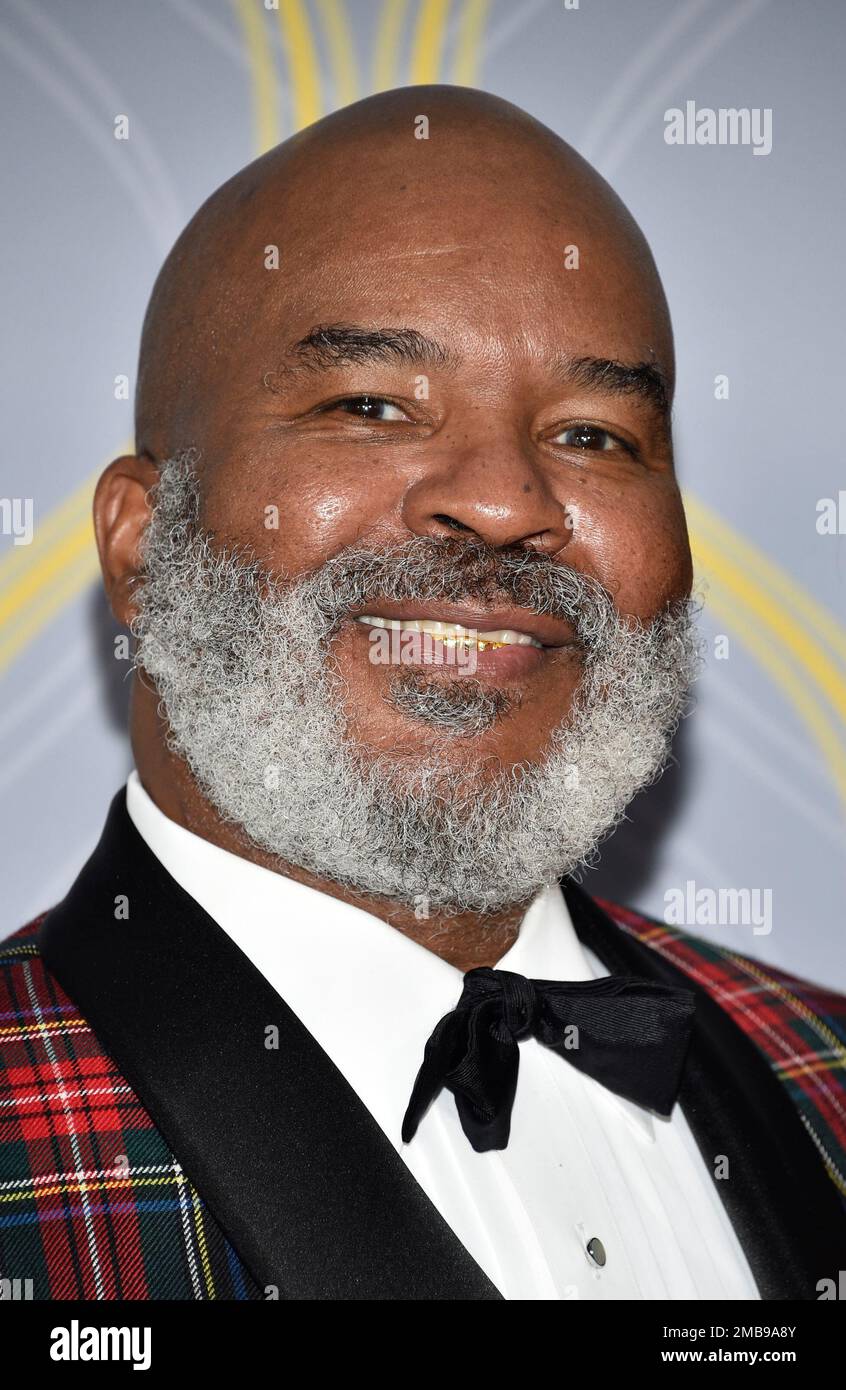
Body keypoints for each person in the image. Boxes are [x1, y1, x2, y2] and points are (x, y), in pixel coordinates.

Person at [1, 84, 843, 1302]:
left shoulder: (823, 1069)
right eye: (372, 406)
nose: (505, 503)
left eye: (597, 434)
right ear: (141, 546)